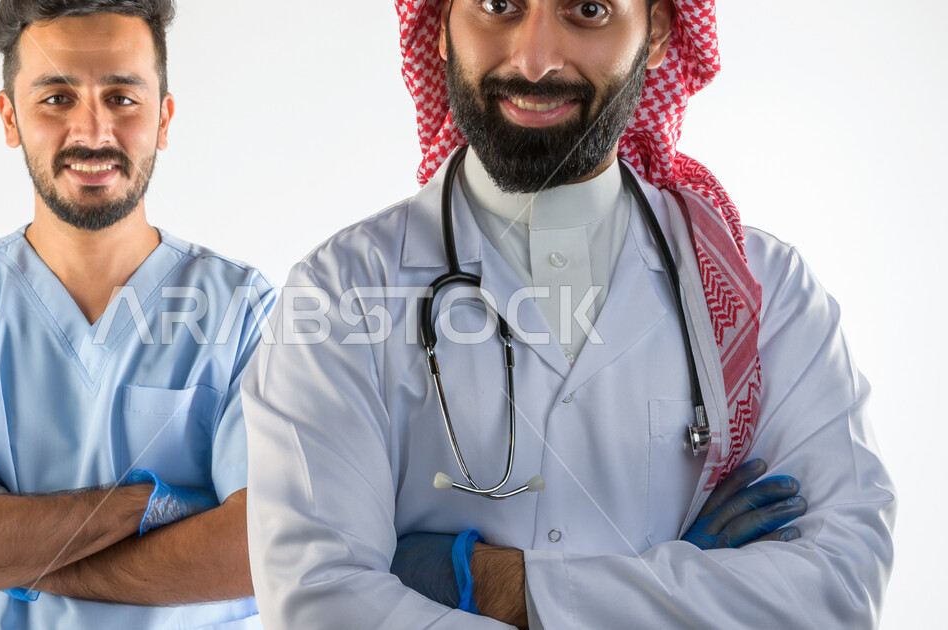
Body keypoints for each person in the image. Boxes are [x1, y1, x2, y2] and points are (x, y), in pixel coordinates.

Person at [243, 0, 895, 628]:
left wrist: (501, 585)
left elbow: (839, 590)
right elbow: (319, 608)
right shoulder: (337, 294)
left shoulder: (766, 289)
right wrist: (678, 591)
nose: (535, 60)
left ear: (659, 30)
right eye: (499, 4)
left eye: (587, 10)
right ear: (441, 21)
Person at [0, 1, 273, 628]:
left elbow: (261, 550)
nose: (93, 132)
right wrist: (152, 506)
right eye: (56, 99)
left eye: (123, 97)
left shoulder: (242, 311)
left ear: (164, 118)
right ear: (10, 117)